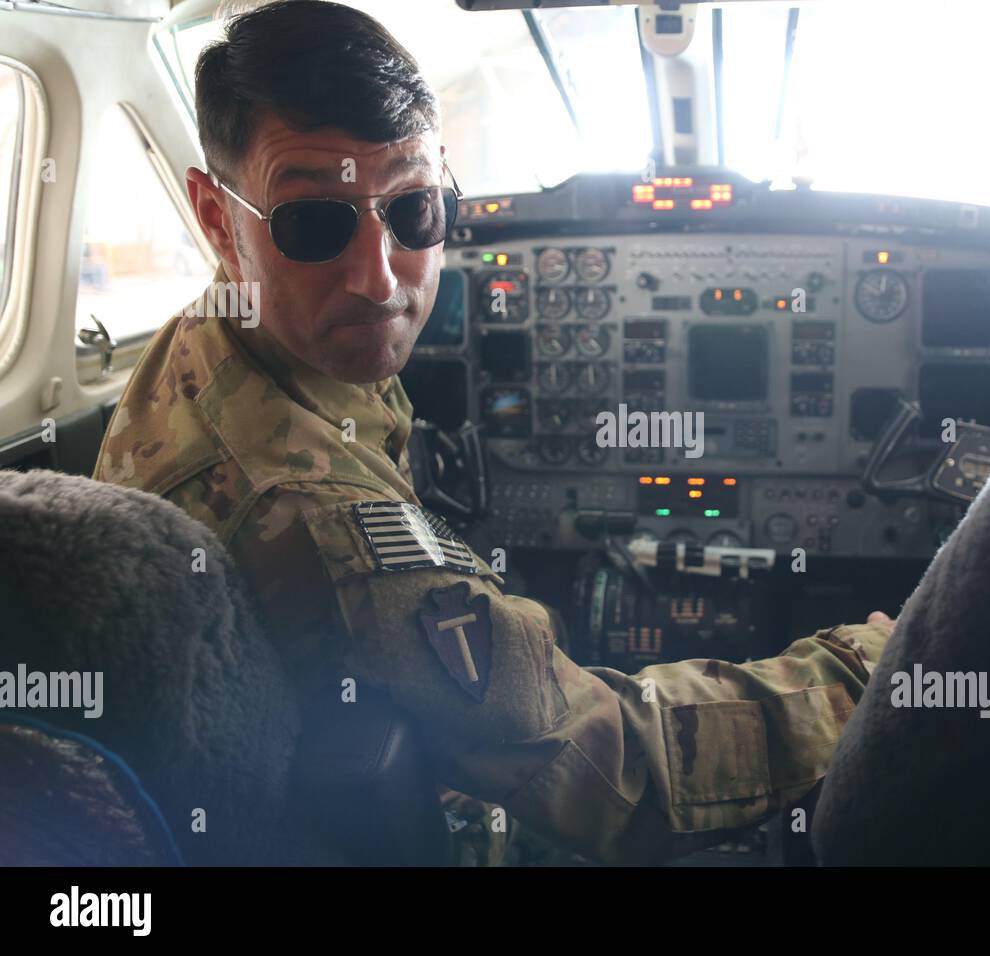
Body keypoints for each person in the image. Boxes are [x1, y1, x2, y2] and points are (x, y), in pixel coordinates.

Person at [93, 0, 893, 865]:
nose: (378, 277)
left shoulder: (219, 332)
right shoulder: (311, 517)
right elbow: (617, 773)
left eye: (413, 210)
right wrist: (874, 663)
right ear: (217, 220)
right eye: (314, 222)